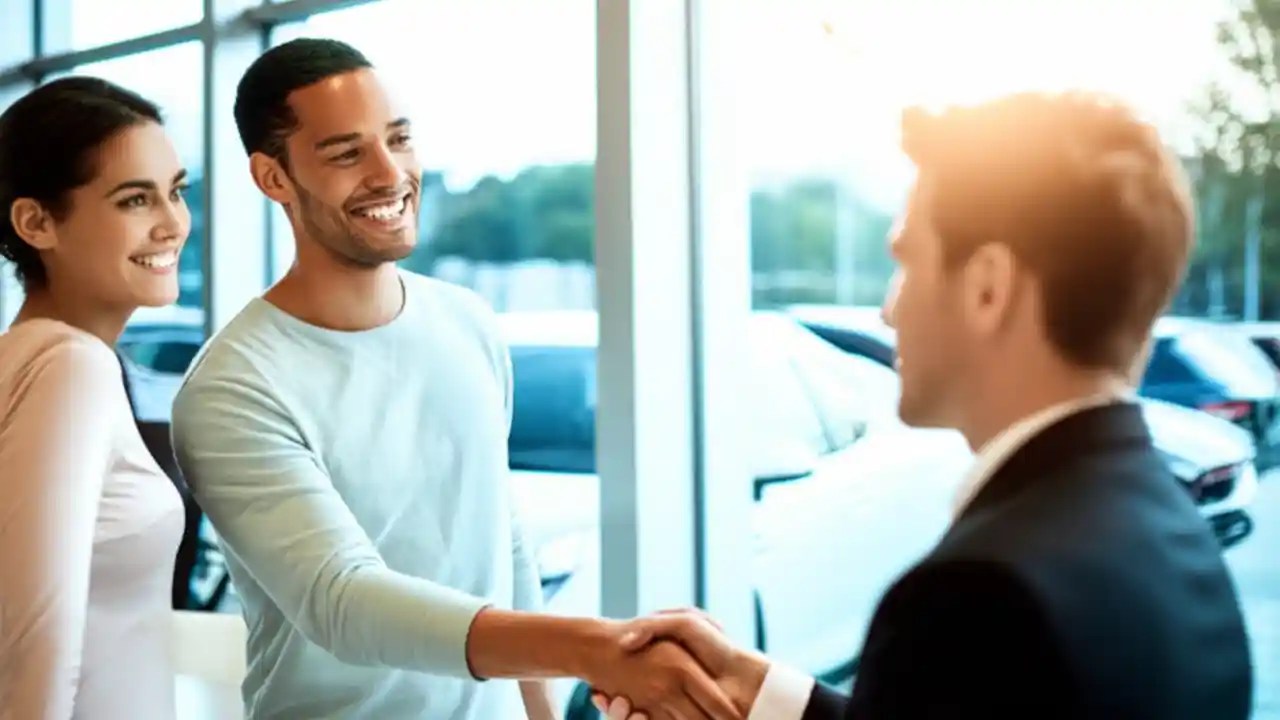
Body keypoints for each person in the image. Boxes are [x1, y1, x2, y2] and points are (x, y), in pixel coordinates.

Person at [594, 92, 1255, 719]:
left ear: (989, 288)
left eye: (907, 261)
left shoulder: (974, 598)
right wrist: (761, 695)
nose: (889, 310)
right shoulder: (1179, 542)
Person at [170, 38, 736, 720]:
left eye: (399, 139)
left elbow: (505, 541)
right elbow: (342, 600)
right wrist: (594, 648)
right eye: (347, 154)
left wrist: (540, 711)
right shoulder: (233, 387)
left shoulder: (467, 322)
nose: (390, 174)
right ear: (274, 178)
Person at [0, 77, 191, 719]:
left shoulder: (27, 357)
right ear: (36, 222)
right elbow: (34, 640)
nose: (172, 224)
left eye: (176, 191)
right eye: (135, 199)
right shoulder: (71, 366)